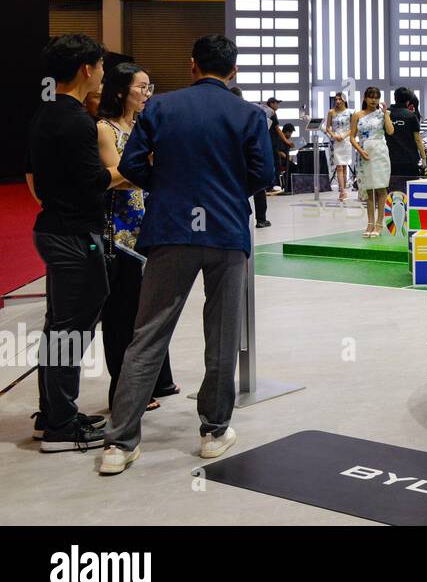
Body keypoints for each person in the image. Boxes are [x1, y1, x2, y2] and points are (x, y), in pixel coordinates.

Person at [98, 34, 275, 475]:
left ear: (192, 65)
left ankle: (119, 444)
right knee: (221, 335)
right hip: (226, 232)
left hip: (170, 230)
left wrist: (172, 189)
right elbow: (265, 173)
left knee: (148, 334)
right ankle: (214, 433)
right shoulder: (249, 114)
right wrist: (228, 193)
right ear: (233, 71)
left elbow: (133, 167)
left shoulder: (159, 108)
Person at [26, 34, 125, 451]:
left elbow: (34, 178)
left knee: (59, 327)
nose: (103, 72)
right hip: (72, 236)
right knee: (69, 330)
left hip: (55, 228)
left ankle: (55, 413)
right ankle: (61, 427)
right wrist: (134, 169)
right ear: (87, 69)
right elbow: (94, 183)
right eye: (101, 65)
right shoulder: (75, 121)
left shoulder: (48, 114)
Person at [95, 63, 178, 415]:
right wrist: (149, 168)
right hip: (119, 235)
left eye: (149, 87)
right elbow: (114, 177)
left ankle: (156, 379)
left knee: (152, 310)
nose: (147, 94)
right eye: (140, 88)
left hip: (148, 229)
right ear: (120, 91)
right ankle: (124, 391)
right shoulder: (104, 129)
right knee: (122, 316)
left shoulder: (143, 127)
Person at [351, 86, 393, 237]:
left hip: (380, 152)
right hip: (364, 153)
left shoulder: (382, 114)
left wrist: (386, 114)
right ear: (365, 98)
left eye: (376, 96)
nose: (374, 99)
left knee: (381, 189)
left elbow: (390, 131)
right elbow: (351, 137)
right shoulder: (357, 115)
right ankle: (370, 223)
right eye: (371, 96)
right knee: (369, 190)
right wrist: (360, 150)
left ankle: (379, 224)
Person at [386, 86, 425, 180]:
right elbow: (417, 139)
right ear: (408, 101)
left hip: (389, 158)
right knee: (410, 187)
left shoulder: (386, 113)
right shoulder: (411, 115)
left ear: (395, 98)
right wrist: (423, 157)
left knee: (392, 189)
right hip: (409, 158)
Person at [326, 92, 352, 203]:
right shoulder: (331, 112)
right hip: (336, 140)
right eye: (336, 99)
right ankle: (342, 191)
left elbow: (353, 127)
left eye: (340, 99)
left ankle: (344, 188)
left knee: (345, 166)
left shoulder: (350, 112)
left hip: (346, 140)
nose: (337, 101)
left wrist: (344, 136)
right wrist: (334, 136)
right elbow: (328, 128)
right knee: (339, 167)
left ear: (344, 100)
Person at [263, 98, 287, 195]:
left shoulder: (264, 113)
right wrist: (286, 141)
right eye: (276, 103)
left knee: (270, 164)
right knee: (274, 164)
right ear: (271, 104)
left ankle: (269, 186)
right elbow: (278, 129)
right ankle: (271, 186)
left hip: (267, 143)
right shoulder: (272, 113)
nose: (278, 105)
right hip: (272, 144)